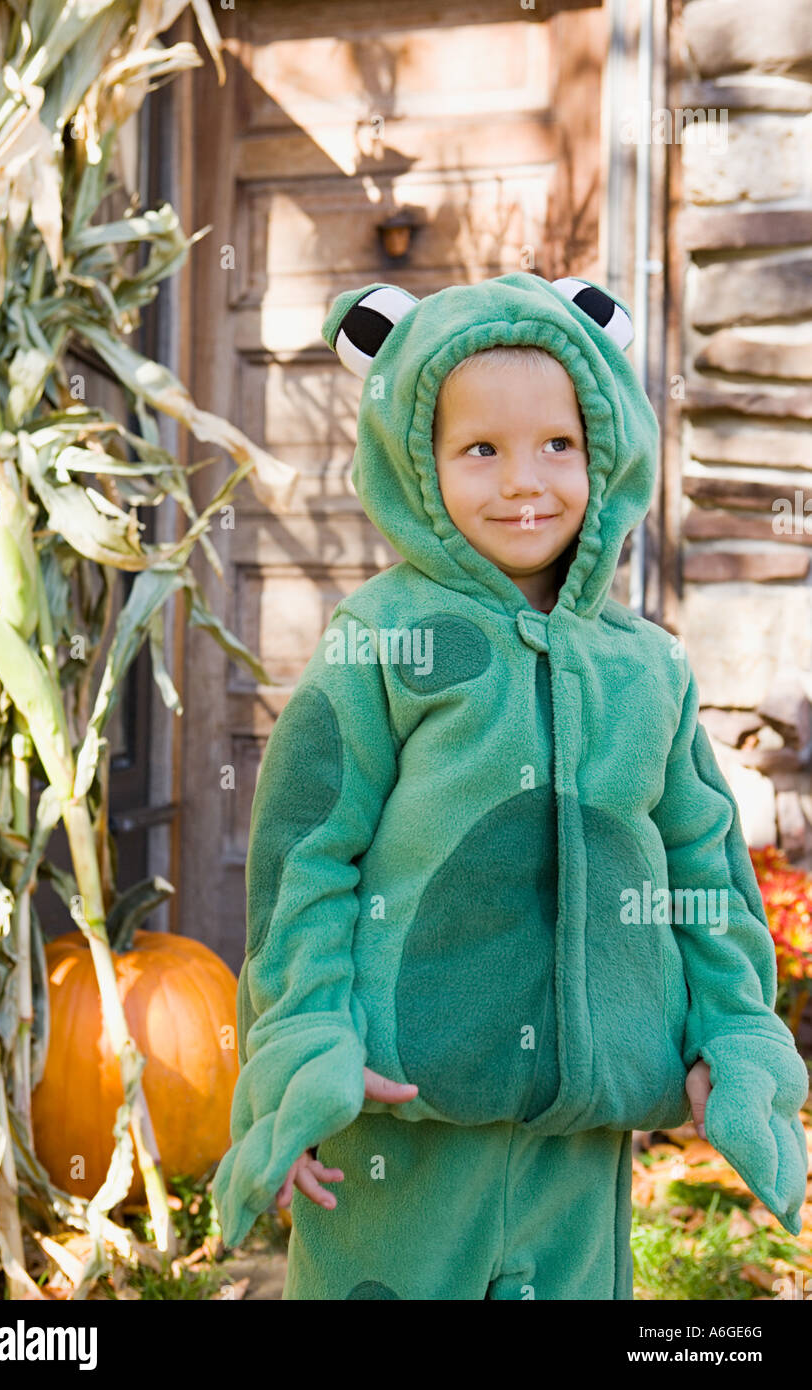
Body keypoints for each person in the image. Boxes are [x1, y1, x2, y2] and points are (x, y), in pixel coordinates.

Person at [211, 273, 809, 1300]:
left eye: (558, 445)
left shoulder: (646, 669)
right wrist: (304, 1042)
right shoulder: (379, 645)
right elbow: (302, 853)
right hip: (395, 1120)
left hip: (575, 1142)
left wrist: (730, 1033)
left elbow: (703, 873)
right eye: (478, 449)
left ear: (604, 450)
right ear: (417, 459)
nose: (522, 481)